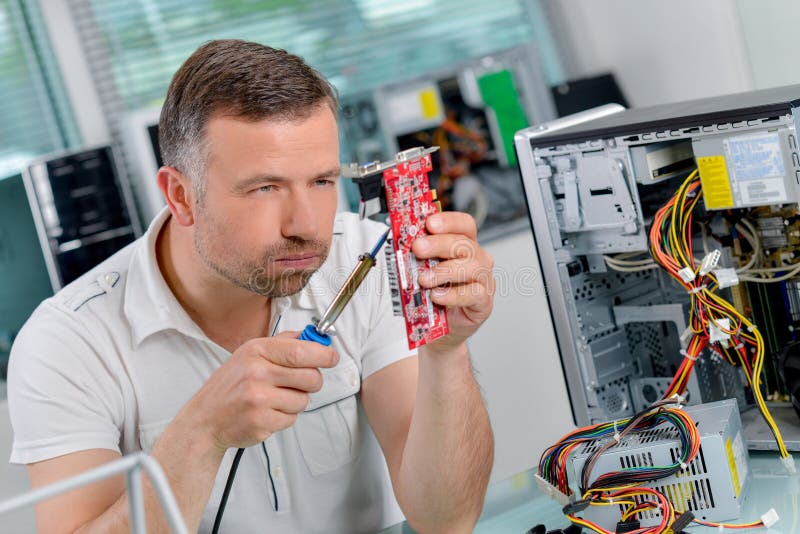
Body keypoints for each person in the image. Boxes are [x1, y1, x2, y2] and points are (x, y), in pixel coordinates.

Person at [8, 39, 495, 533]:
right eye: (265, 188)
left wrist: (446, 351)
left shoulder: (363, 257)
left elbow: (447, 520)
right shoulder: (66, 343)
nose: (306, 225)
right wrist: (203, 434)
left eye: (322, 182)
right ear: (181, 196)